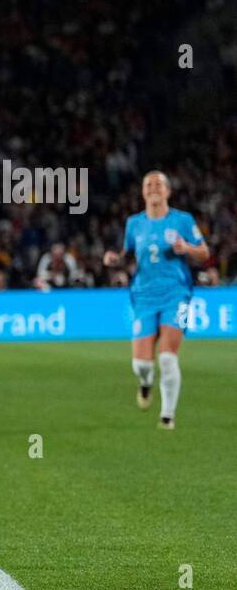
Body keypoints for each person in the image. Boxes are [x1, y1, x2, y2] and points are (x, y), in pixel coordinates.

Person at [103, 171, 210, 429]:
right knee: (141, 364)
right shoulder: (134, 224)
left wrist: (188, 249)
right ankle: (145, 383)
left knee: (167, 357)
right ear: (142, 192)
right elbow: (126, 252)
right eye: (148, 184)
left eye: (158, 184)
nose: (153, 188)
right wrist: (114, 259)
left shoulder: (182, 221)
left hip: (177, 293)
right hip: (143, 295)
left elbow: (204, 252)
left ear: (167, 192)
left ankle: (167, 416)